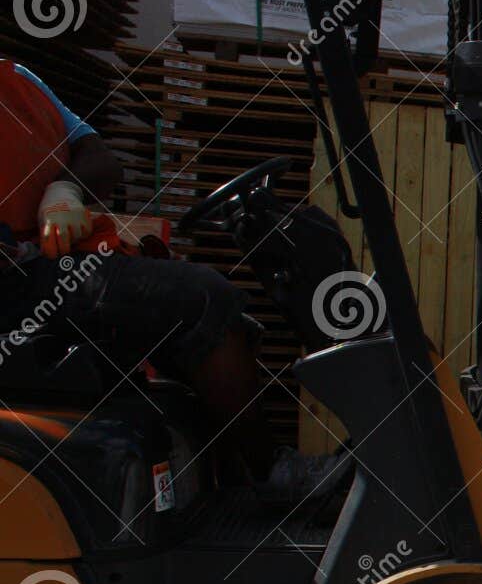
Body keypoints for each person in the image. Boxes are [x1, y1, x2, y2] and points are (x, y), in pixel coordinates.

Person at [1, 57, 335, 504]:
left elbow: (96, 155)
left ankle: (230, 489)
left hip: (50, 262)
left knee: (224, 324)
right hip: (15, 286)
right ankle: (269, 472)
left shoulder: (19, 79)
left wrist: (66, 190)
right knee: (201, 299)